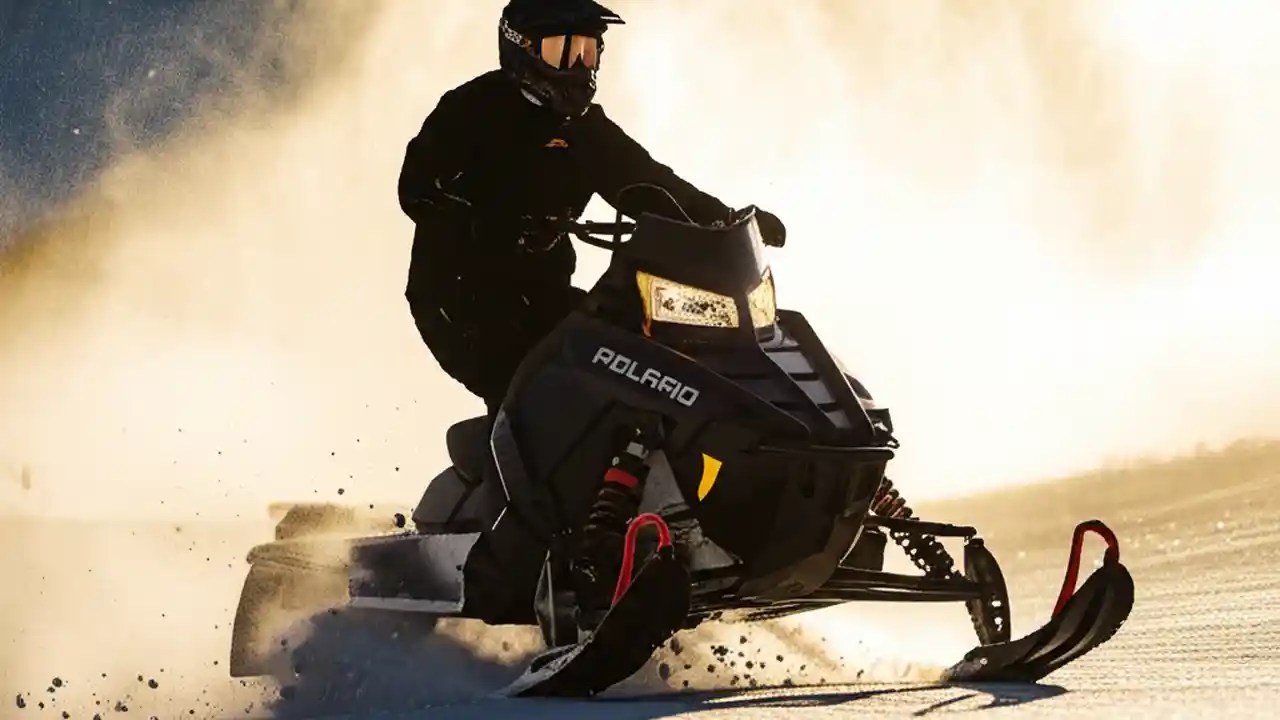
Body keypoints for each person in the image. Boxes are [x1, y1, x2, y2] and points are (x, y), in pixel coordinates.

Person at [398, 0, 786, 415]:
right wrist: (484, 221)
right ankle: (512, 470)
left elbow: (651, 183)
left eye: (587, 52)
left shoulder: (585, 132)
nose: (578, 68)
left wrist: (724, 221)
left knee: (640, 356)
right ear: (521, 49)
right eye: (563, 53)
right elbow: (418, 188)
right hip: (462, 302)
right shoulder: (471, 112)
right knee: (544, 392)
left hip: (544, 297)